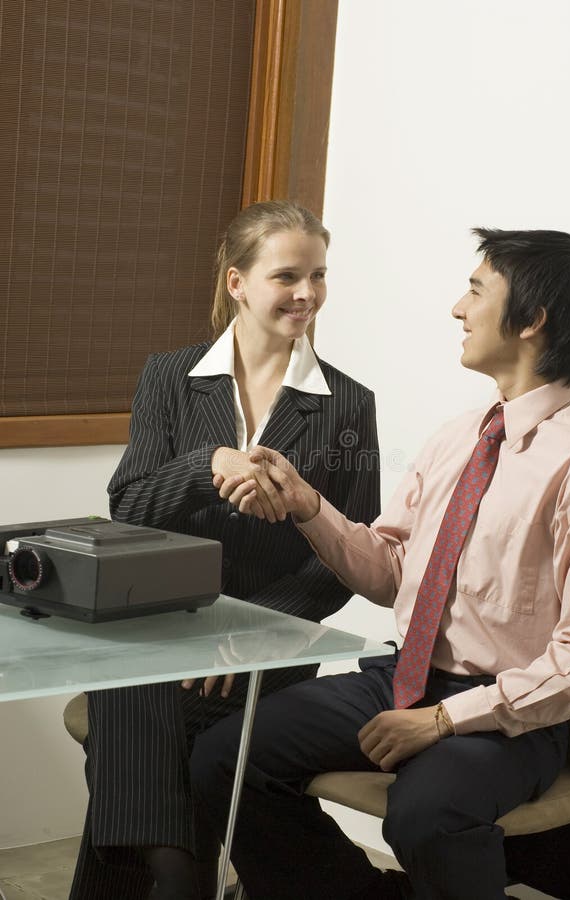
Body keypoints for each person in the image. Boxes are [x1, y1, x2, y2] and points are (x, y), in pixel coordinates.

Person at [191, 228, 570, 900]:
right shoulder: (460, 436)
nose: (458, 309)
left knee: (426, 814)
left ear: (531, 319)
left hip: (512, 712)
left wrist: (444, 721)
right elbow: (392, 572)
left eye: (476, 291)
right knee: (224, 759)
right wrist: (308, 506)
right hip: (404, 679)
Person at [68, 200, 381, 900]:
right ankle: (184, 878)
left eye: (318, 276)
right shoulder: (170, 377)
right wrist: (206, 464)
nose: (307, 293)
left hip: (268, 647)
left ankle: (173, 878)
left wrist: (248, 634)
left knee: (140, 725)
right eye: (287, 276)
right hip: (164, 630)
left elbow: (346, 557)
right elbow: (130, 507)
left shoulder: (347, 405)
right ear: (237, 282)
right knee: (139, 689)